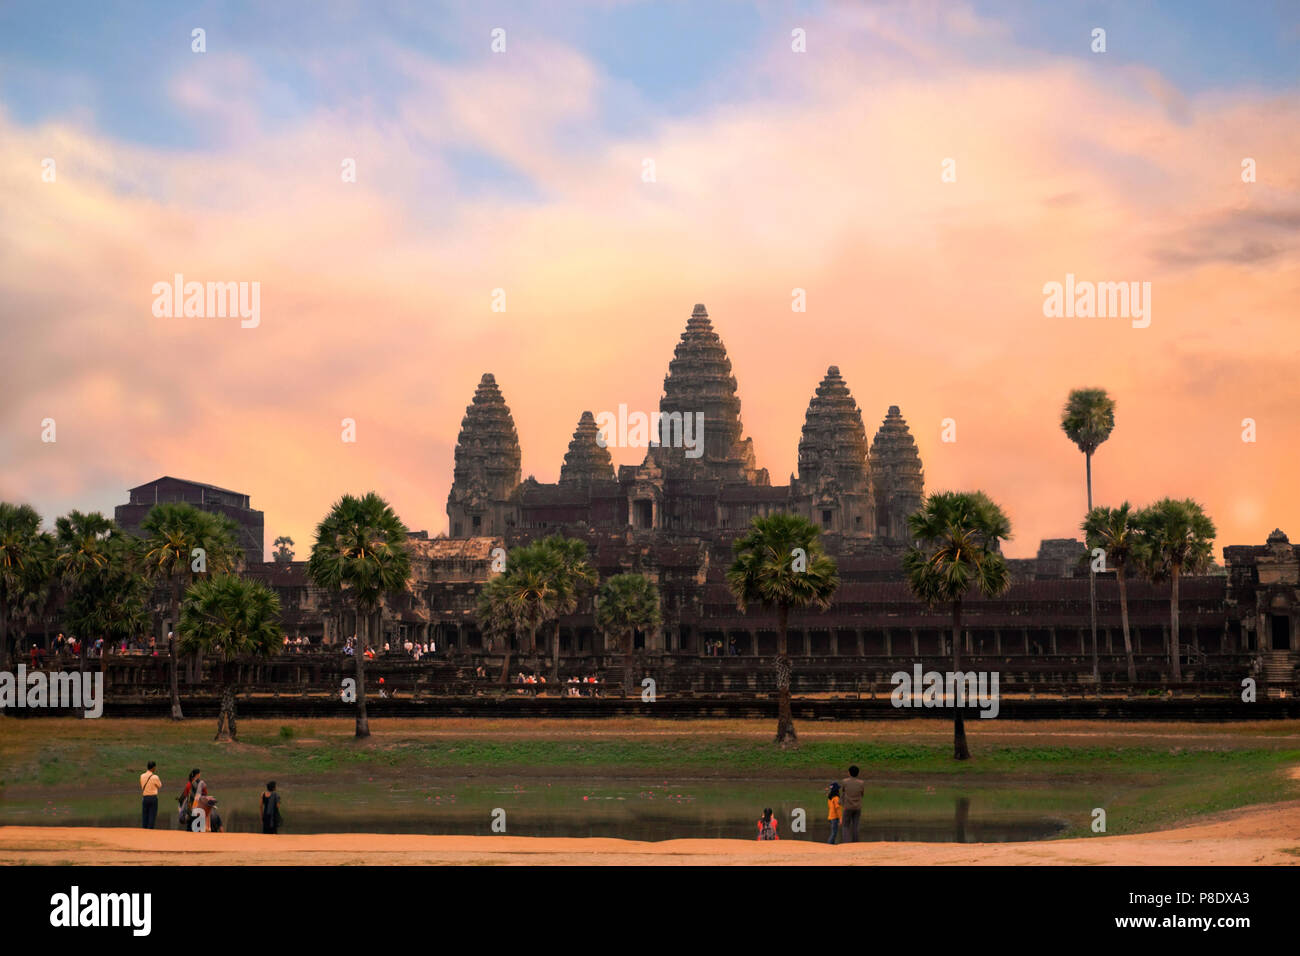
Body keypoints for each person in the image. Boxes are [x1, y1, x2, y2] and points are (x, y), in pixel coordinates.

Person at [838, 765, 866, 843]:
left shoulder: (845, 781)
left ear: (849, 773)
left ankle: (846, 842)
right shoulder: (861, 783)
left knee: (845, 825)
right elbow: (862, 794)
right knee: (855, 825)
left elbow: (843, 792)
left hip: (848, 806)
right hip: (857, 807)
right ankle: (855, 842)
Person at [140, 761, 162, 829]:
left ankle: (144, 830)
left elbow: (142, 786)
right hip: (153, 798)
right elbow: (159, 786)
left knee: (145, 815)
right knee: (152, 815)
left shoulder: (142, 776)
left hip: (145, 798)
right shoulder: (155, 777)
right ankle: (150, 831)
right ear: (153, 767)